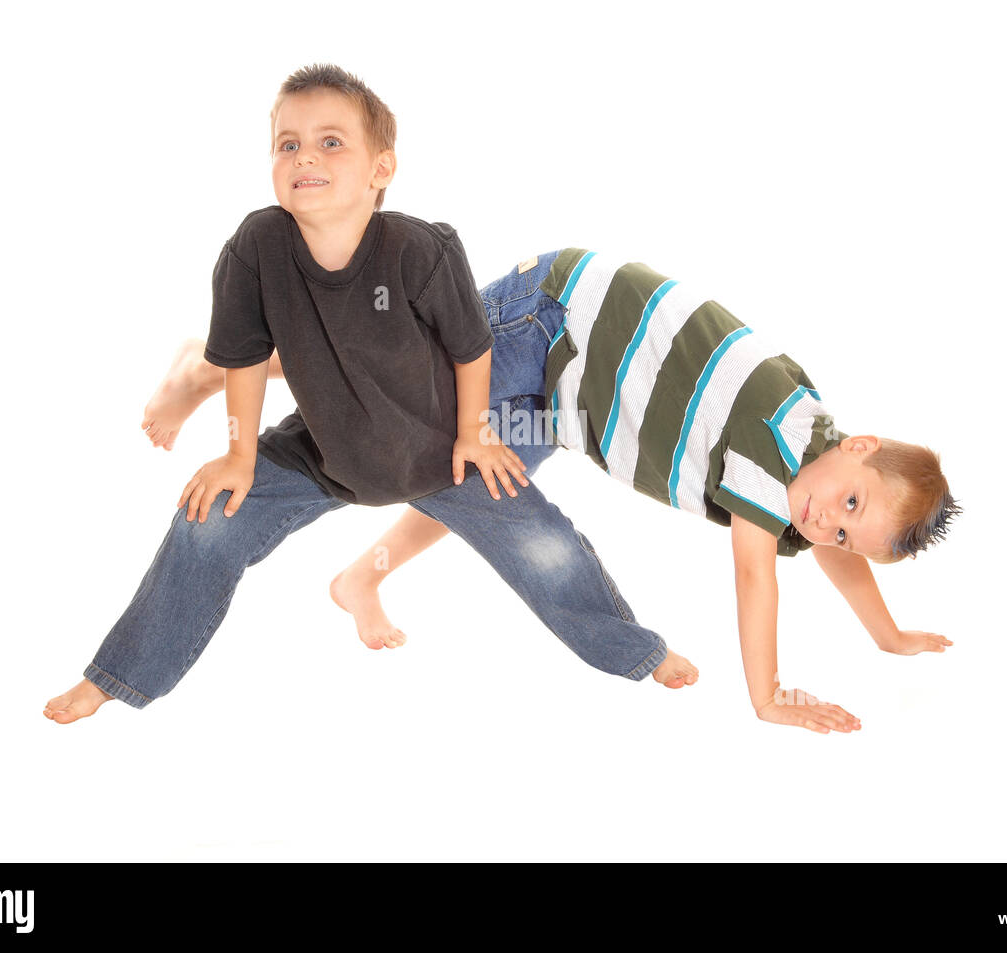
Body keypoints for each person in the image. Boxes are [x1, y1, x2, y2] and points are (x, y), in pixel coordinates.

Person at [42, 64, 699, 726]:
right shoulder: (256, 248)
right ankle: (115, 677)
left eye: (331, 142)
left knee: (546, 546)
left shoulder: (420, 249)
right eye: (287, 143)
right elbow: (241, 359)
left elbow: (472, 347)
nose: (305, 156)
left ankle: (636, 651)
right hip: (325, 449)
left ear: (380, 169)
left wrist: (473, 431)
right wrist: (239, 457)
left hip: (437, 445)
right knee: (207, 521)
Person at [138, 248, 962, 734]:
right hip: (553, 321)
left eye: (847, 533)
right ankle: (217, 365)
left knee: (471, 477)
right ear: (857, 446)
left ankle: (363, 577)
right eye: (847, 504)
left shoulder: (815, 472)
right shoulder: (777, 446)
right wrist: (767, 695)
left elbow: (832, 553)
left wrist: (886, 634)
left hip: (568, 400)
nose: (826, 525)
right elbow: (757, 573)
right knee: (408, 395)